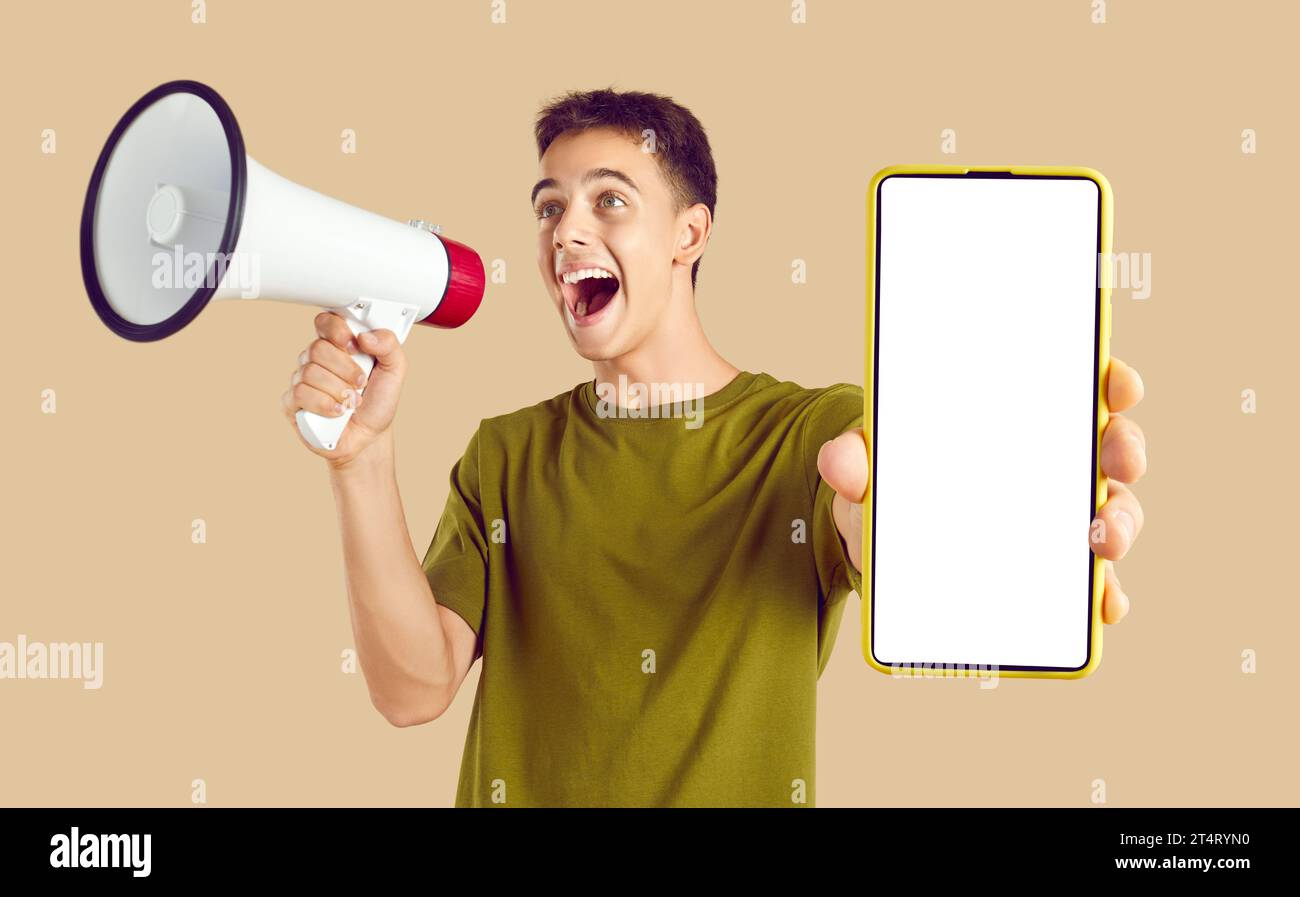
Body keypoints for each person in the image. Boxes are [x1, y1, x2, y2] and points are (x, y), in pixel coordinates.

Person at [279, 88, 1148, 807]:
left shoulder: (809, 432)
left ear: (690, 234)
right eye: (550, 206)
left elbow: (870, 526)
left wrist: (990, 511)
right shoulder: (504, 454)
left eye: (609, 200)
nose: (565, 233)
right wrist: (361, 459)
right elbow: (411, 689)